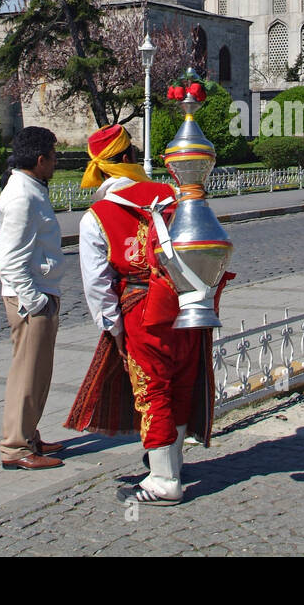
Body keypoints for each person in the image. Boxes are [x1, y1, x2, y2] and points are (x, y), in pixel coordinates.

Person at [67, 124, 222, 505]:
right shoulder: (172, 194)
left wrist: (112, 328)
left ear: (101, 169)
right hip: (185, 301)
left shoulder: (96, 217)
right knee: (182, 379)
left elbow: (98, 284)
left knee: (152, 389)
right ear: (131, 158)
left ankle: (164, 479)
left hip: (141, 311)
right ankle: (173, 461)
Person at [0, 126, 67, 471]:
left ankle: (29, 434)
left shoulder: (32, 187)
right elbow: (9, 259)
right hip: (31, 298)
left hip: (41, 293)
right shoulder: (22, 196)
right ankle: (16, 447)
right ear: (40, 161)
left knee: (38, 373)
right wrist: (34, 301)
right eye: (53, 157)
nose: (56, 162)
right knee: (27, 373)